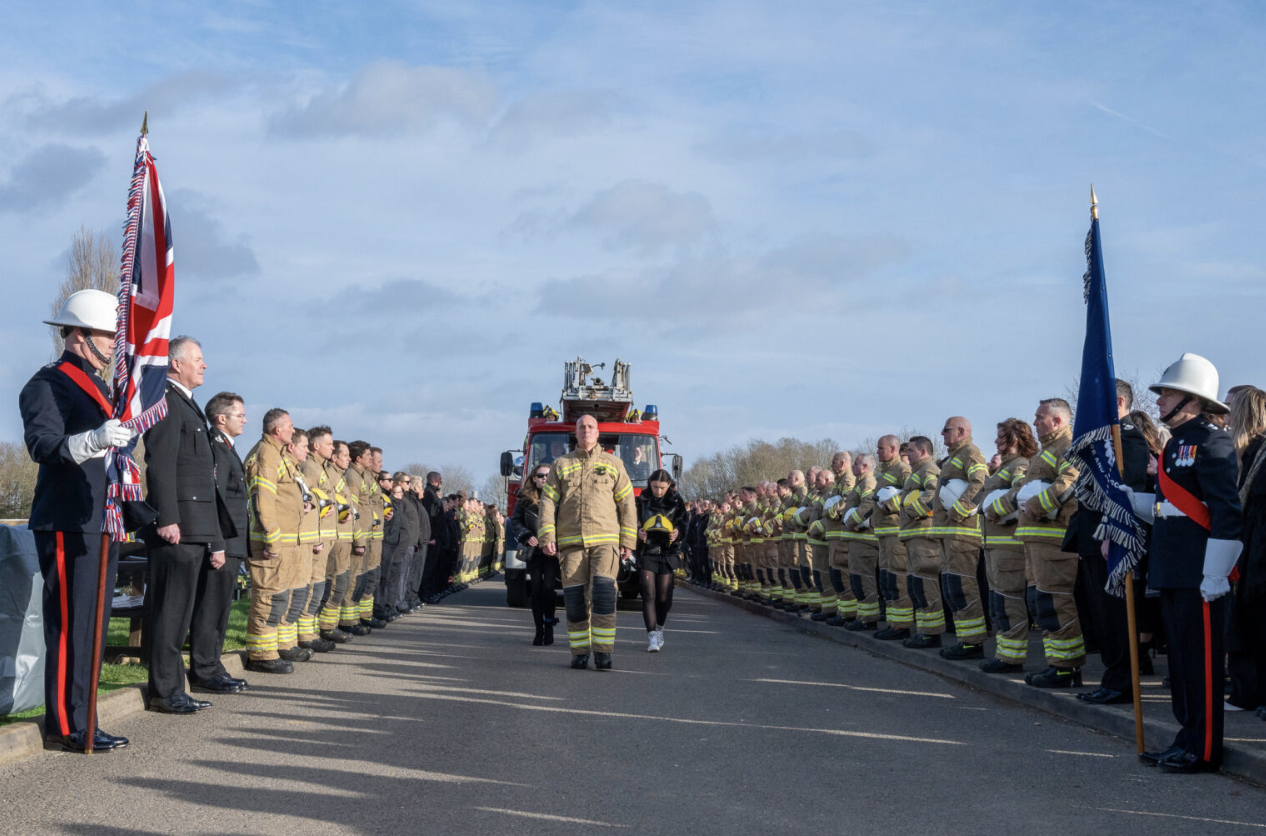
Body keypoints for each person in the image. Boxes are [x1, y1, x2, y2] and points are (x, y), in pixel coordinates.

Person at [21, 289, 134, 752]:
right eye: (107, 336)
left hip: (99, 517)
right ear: (80, 335)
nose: (113, 345)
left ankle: (85, 718)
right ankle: (67, 725)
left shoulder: (102, 387)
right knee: (72, 626)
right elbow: (42, 445)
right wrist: (92, 440)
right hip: (67, 517)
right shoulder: (49, 383)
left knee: (93, 625)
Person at [1131, 354, 1243, 773]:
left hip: (1199, 572)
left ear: (1192, 399)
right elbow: (1170, 510)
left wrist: (1216, 573)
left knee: (1201, 666)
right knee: (1180, 665)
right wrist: (1130, 500)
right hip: (1172, 567)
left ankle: (1204, 749)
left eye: (1168, 393)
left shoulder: (1212, 441)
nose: (1159, 400)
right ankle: (1187, 737)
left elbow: (1226, 511)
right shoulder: (1174, 443)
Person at [142, 336, 225, 714]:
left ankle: (175, 687)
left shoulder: (186, 404)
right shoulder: (167, 401)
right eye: (198, 358)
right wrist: (167, 517)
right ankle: (164, 691)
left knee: (180, 615)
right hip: (179, 526)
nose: (204, 365)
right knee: (169, 612)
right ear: (176, 364)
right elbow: (160, 462)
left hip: (195, 526)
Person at [1068, 380, 1152, 704]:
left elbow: (1125, 491)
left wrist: (1109, 534)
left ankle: (1121, 683)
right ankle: (1111, 678)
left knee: (1117, 616)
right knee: (1101, 615)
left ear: (1118, 402)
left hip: (1112, 539)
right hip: (1093, 538)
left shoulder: (1128, 437)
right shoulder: (1103, 439)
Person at [538, 414, 637, 671]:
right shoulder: (561, 464)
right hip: (571, 544)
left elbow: (627, 504)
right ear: (576, 432)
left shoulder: (614, 464)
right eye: (581, 427)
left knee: (604, 596)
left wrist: (628, 540)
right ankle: (580, 653)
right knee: (574, 602)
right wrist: (547, 536)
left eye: (591, 426)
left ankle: (603, 654)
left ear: (598, 432)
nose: (586, 430)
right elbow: (547, 503)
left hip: (606, 541)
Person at [1004, 398, 1083, 688]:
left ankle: (1066, 668)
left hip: (1054, 539)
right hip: (1036, 539)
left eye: (1040, 417)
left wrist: (1037, 506)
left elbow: (1070, 481)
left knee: (1055, 603)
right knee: (1042, 604)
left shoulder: (1068, 446)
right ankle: (1056, 664)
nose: (1035, 422)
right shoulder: (1046, 450)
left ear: (1057, 420)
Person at [243, 408, 308, 674]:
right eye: (290, 426)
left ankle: (277, 647)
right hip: (270, 545)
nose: (293, 430)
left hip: (285, 544)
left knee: (280, 598)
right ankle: (261, 655)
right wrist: (272, 539)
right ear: (277, 429)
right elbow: (263, 501)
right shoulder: (266, 455)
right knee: (268, 600)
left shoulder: (277, 454)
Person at [196, 391, 251, 694]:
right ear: (221, 418)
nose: (245, 420)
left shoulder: (227, 447)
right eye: (239, 415)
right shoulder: (215, 446)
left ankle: (214, 664)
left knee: (221, 610)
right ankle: (204, 670)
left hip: (233, 541)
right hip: (223, 542)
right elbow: (215, 499)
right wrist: (216, 543)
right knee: (211, 608)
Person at [979, 418, 1037, 673]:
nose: (995, 441)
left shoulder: (1020, 465)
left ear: (1014, 439)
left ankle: (1012, 659)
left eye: (1001, 437)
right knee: (998, 603)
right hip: (994, 546)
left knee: (1008, 602)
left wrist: (996, 508)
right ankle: (1004, 654)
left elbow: (1022, 490)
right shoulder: (1006, 466)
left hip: (1008, 547)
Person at [933, 417, 990, 659]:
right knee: (952, 590)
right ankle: (964, 639)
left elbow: (981, 483)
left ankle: (973, 644)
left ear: (961, 431)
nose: (942, 434)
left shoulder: (970, 452)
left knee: (963, 588)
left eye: (946, 430)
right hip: (949, 534)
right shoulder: (954, 456)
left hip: (962, 534)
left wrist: (958, 511)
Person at [1227, 386, 1266, 718]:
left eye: (1230, 408)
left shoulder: (1261, 453)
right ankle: (1246, 692)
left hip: (1258, 549)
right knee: (1241, 620)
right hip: (1243, 546)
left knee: (1256, 619)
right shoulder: (1241, 452)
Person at [898, 436, 944, 649]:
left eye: (911, 450)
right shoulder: (917, 472)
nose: (907, 454)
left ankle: (931, 634)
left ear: (924, 452)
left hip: (924, 535)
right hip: (913, 535)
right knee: (917, 585)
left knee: (926, 585)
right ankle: (924, 631)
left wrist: (913, 511)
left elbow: (934, 494)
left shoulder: (928, 470)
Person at [636, 470, 688, 651]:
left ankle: (660, 628)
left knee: (664, 598)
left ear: (669, 486)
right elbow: (632, 521)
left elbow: (683, 523)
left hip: (667, 551)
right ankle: (652, 636)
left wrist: (678, 532)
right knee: (648, 593)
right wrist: (638, 531)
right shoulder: (641, 500)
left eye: (662, 488)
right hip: (647, 551)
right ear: (650, 483)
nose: (658, 491)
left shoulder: (676, 500)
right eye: (655, 487)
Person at [512, 464, 559, 646]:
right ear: (534, 478)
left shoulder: (559, 497)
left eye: (548, 475)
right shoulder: (524, 499)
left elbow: (565, 522)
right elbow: (516, 521)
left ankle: (549, 625)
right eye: (540, 476)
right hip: (534, 551)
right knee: (537, 589)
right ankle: (539, 630)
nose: (544, 479)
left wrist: (559, 543)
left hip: (552, 550)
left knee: (549, 587)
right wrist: (526, 535)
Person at [874, 435, 913, 640]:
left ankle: (901, 626)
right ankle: (892, 623)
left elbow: (910, 494)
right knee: (887, 581)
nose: (878, 452)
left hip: (895, 533)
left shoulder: (903, 470)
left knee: (898, 580)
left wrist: (889, 505)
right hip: (883, 534)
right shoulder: (884, 473)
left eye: (881, 448)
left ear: (893, 449)